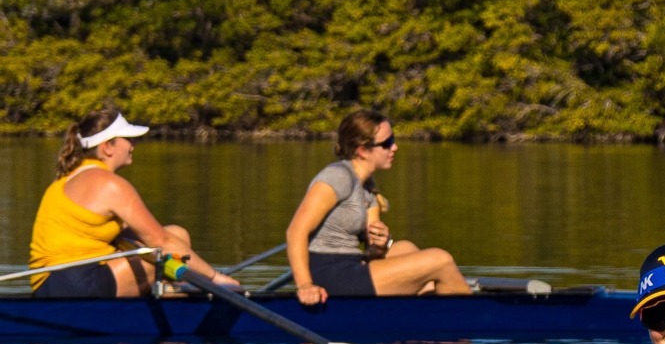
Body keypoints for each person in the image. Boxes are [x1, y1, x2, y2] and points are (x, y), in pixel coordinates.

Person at [27, 109, 239, 297]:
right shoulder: (109, 184)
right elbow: (161, 242)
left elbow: (151, 237)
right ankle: (177, 318)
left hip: (48, 284)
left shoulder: (66, 179)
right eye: (128, 139)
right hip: (74, 285)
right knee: (165, 254)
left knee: (178, 235)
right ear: (108, 147)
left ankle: (171, 305)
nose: (134, 145)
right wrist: (215, 279)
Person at [284, 110, 471, 306]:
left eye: (393, 139)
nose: (395, 147)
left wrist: (379, 244)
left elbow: (374, 252)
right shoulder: (337, 177)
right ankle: (471, 320)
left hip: (351, 265)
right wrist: (305, 285)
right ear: (363, 150)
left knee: (406, 248)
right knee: (439, 260)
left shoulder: (368, 189)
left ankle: (425, 312)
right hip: (329, 272)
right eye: (386, 143)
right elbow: (296, 232)